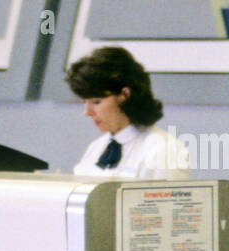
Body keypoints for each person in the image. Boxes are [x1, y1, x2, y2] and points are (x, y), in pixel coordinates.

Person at [66, 46, 190, 179]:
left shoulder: (162, 150)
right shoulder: (96, 147)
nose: (87, 112)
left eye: (96, 102)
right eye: (84, 102)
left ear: (125, 94)